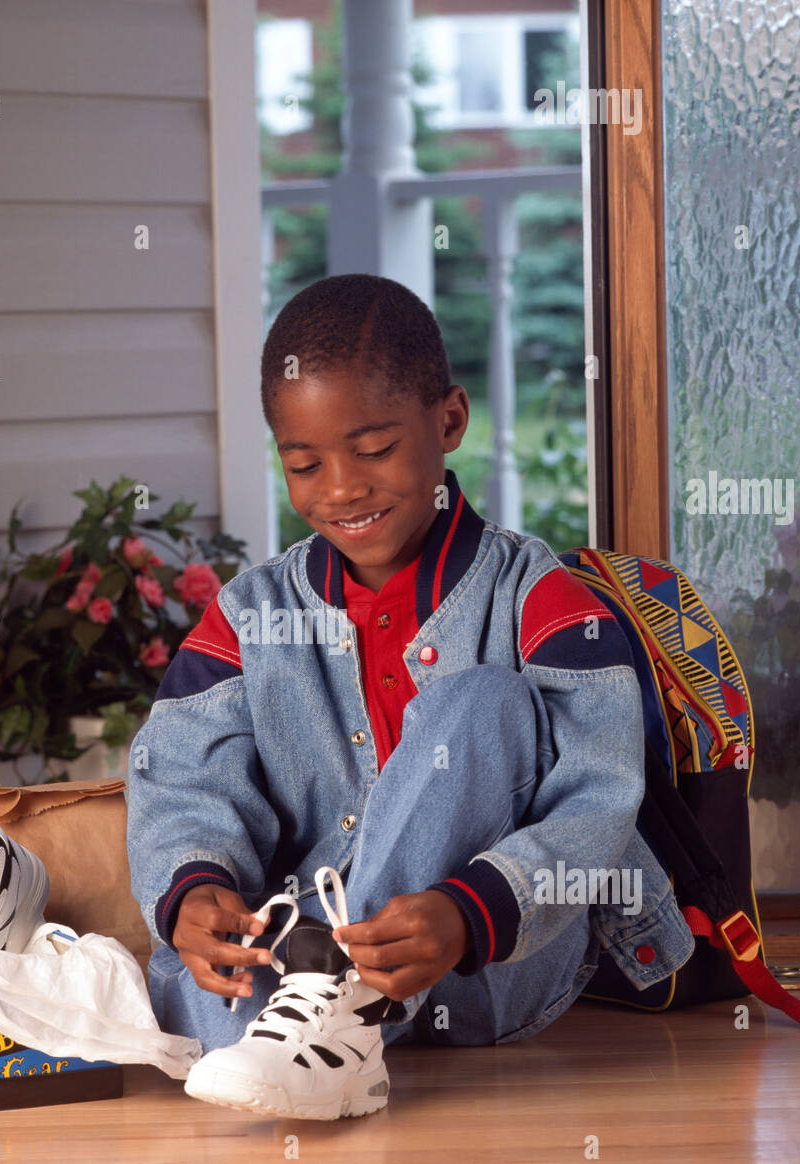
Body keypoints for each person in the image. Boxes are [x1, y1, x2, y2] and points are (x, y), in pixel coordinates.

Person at [125, 273, 693, 1120]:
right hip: (294, 986)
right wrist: (194, 893)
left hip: (487, 962)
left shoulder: (536, 596)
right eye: (305, 463)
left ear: (450, 422)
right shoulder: (253, 614)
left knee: (482, 705)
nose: (342, 488)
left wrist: (472, 914)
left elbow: (599, 802)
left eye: (375, 448)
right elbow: (181, 779)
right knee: (180, 974)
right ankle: (327, 1027)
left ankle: (330, 1023)